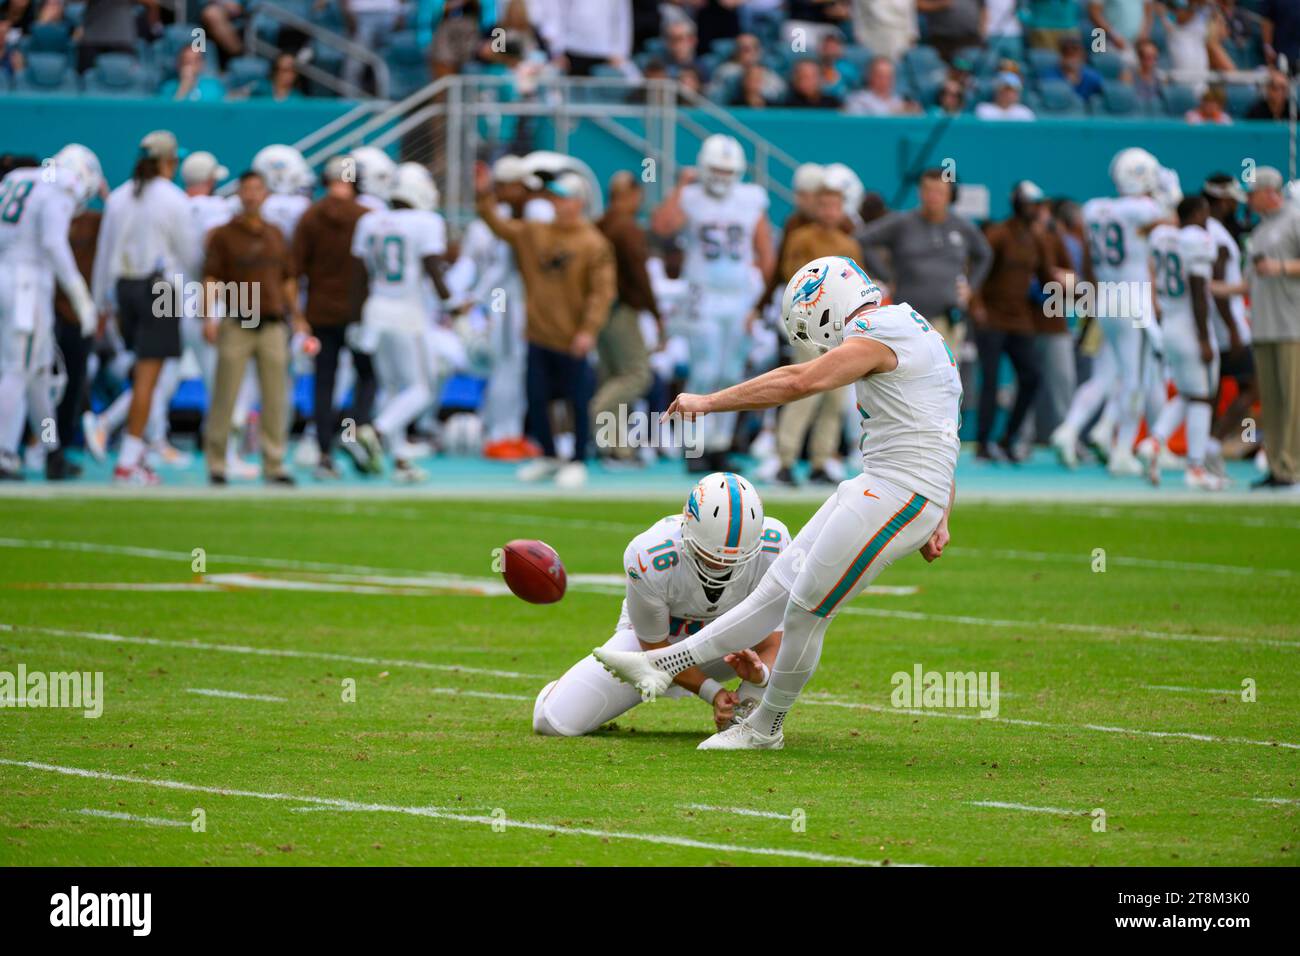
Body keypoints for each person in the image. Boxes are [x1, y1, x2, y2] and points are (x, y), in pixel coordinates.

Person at [592, 256, 959, 750]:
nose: (818, 340)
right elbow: (945, 429)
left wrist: (708, 401)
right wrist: (943, 511)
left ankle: (766, 728)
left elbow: (797, 382)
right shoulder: (914, 327)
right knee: (778, 586)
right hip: (892, 486)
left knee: (807, 610)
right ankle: (660, 665)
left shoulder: (880, 328)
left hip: (900, 490)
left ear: (827, 305)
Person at [535, 473, 790, 737]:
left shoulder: (775, 544)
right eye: (711, 556)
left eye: (737, 558)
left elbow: (774, 638)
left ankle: (745, 717)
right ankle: (558, 691)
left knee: (803, 624)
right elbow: (655, 647)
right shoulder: (650, 554)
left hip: (728, 646)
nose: (723, 566)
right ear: (687, 528)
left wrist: (760, 678)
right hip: (659, 646)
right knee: (554, 723)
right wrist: (713, 692)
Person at [474, 162, 616, 488]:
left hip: (572, 337)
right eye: (555, 198)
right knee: (537, 398)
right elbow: (498, 225)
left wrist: (588, 330)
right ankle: (548, 455)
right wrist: (484, 195)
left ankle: (578, 458)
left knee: (576, 400)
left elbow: (602, 292)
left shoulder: (594, 243)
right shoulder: (535, 232)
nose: (558, 204)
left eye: (565, 198)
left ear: (579, 202)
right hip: (538, 334)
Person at [651, 134, 774, 471]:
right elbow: (661, 226)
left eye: (727, 170)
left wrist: (758, 302)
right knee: (704, 370)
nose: (721, 177)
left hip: (738, 297)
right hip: (701, 295)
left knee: (732, 374)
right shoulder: (690, 196)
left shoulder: (750, 199)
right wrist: (680, 186)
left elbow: (765, 253)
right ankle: (694, 446)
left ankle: (720, 445)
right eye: (715, 169)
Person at [91, 130, 202, 485]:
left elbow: (104, 257)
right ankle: (128, 459)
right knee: (149, 378)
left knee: (146, 375)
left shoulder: (119, 198)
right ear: (169, 162)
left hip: (125, 290)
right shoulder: (174, 199)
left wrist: (98, 305)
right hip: (158, 289)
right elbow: (191, 254)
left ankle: (134, 448)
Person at [1053, 148, 1167, 474]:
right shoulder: (1142, 208)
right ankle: (1122, 451)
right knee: (1136, 378)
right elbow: (1169, 219)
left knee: (1105, 374)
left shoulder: (1096, 209)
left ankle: (1070, 428)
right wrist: (1168, 195)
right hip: (1134, 300)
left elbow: (1091, 255)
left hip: (1106, 297)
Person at [0, 145, 101, 480]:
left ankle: (50, 449)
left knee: (40, 374)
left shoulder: (19, 177)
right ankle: (3, 452)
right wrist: (79, 295)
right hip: (26, 284)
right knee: (16, 370)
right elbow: (54, 243)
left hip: (9, 276)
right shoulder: (60, 186)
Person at [351, 163, 452, 482]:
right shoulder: (427, 221)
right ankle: (375, 432)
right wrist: (453, 304)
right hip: (407, 314)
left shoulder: (369, 221)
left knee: (394, 389)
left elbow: (358, 272)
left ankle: (401, 460)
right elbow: (433, 267)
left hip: (375, 309)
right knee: (421, 389)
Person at [202, 170, 301, 486]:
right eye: (247, 190)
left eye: (257, 189)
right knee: (225, 394)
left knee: (276, 396)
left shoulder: (275, 234)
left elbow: (287, 279)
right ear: (239, 194)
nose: (252, 195)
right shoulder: (224, 235)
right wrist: (209, 316)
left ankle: (274, 462)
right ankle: (217, 461)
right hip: (238, 319)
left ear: (265, 194)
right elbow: (212, 278)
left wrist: (297, 316)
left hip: (272, 321)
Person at [774, 170, 865, 486]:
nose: (829, 212)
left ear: (841, 209)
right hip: (807, 324)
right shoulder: (802, 238)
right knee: (805, 388)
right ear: (816, 207)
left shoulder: (849, 244)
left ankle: (820, 460)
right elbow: (791, 275)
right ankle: (785, 458)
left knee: (835, 396)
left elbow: (856, 287)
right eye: (823, 205)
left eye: (834, 206)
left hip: (838, 326)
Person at [971, 180, 1072, 461]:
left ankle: (1008, 438)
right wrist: (976, 305)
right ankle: (983, 443)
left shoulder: (1036, 239)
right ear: (1017, 204)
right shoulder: (999, 234)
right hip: (992, 319)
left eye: (1036, 205)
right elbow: (978, 271)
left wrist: (1076, 291)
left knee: (1031, 377)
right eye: (1029, 204)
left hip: (1020, 320)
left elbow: (1046, 279)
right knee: (989, 381)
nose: (1033, 209)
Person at [293, 155, 377, 479]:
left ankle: (324, 453)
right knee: (367, 377)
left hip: (320, 312)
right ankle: (353, 428)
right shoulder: (366, 216)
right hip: (358, 313)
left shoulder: (311, 217)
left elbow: (295, 271)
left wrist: (299, 317)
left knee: (324, 383)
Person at [858, 167, 993, 355]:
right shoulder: (902, 222)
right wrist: (886, 276)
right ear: (920, 192)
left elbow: (985, 254)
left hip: (947, 319)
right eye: (928, 191)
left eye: (939, 192)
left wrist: (971, 287)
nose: (933, 197)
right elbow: (861, 240)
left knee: (946, 378)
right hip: (907, 319)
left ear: (950, 196)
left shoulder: (962, 226)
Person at [1140, 195, 1225, 490]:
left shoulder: (1162, 238)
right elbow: (1199, 290)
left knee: (1190, 393)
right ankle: (1196, 467)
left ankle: (1154, 441)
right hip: (1190, 325)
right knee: (1201, 397)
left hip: (1170, 323)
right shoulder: (1196, 239)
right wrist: (1204, 337)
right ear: (1198, 213)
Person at [593, 171, 658, 463]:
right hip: (620, 310)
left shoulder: (597, 225)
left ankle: (615, 447)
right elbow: (639, 274)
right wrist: (655, 312)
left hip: (597, 311)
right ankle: (599, 413)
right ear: (630, 195)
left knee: (613, 375)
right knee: (636, 374)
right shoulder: (627, 229)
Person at [1243, 167, 1300, 490]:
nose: (1248, 201)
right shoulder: (1262, 229)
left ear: (1269, 192)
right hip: (1264, 324)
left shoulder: (1295, 219)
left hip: (1291, 323)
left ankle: (1293, 467)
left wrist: (1278, 267)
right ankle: (1278, 464)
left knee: (1293, 401)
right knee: (1273, 403)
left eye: (1252, 193)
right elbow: (1251, 280)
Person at [843, 56, 919, 115]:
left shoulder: (898, 101)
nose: (884, 81)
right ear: (870, 77)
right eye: (880, 76)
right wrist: (896, 112)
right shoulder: (858, 100)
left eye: (889, 77)